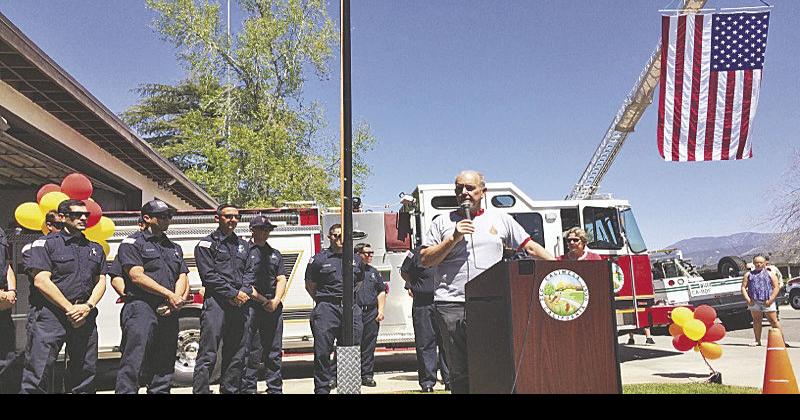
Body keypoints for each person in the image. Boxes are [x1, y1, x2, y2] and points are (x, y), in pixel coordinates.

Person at [420, 170, 554, 394]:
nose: (464, 193)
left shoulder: (500, 219)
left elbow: (529, 247)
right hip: (451, 304)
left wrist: (563, 266)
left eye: (470, 188)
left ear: (483, 191)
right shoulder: (441, 222)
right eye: (459, 188)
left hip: (490, 303)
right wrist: (453, 238)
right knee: (459, 371)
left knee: (493, 366)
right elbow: (425, 260)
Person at [21, 199, 107, 393]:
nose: (83, 218)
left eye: (86, 215)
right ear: (62, 217)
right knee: (39, 372)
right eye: (77, 214)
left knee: (84, 371)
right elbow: (41, 280)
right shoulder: (44, 245)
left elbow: (101, 281)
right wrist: (70, 309)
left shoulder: (94, 248)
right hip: (50, 316)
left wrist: (88, 306)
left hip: (85, 315)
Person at [114, 200, 189, 394]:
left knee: (164, 361)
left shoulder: (174, 247)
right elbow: (136, 276)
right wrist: (170, 295)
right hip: (141, 307)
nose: (168, 220)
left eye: (169, 216)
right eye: (163, 216)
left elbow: (182, 276)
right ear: (147, 218)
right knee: (135, 360)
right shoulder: (132, 243)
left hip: (169, 309)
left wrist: (176, 301)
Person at [193, 204, 251, 394]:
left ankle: (230, 390)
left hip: (239, 304)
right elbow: (208, 276)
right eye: (228, 216)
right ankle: (201, 391)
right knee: (208, 353)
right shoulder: (206, 245)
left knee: (236, 352)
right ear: (217, 218)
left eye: (236, 216)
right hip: (216, 303)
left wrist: (242, 292)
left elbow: (250, 273)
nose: (233, 220)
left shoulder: (244, 245)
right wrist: (232, 293)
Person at [305, 223, 364, 394]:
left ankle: (347, 386)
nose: (339, 239)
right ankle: (322, 388)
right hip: (327, 308)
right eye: (335, 235)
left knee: (351, 349)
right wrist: (325, 300)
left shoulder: (356, 259)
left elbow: (359, 281)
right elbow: (310, 285)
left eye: (342, 236)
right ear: (329, 237)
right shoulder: (319, 259)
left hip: (350, 308)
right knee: (323, 351)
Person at [241, 215, 287, 394]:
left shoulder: (275, 254)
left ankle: (275, 389)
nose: (265, 232)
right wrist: (262, 300)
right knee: (251, 350)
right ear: (252, 230)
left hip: (272, 307)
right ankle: (248, 388)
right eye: (261, 229)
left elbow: (281, 278)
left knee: (274, 351)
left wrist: (275, 300)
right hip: (251, 306)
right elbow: (243, 283)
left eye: (268, 229)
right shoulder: (243, 251)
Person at [401, 245, 450, 393]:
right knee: (425, 343)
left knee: (447, 342)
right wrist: (411, 285)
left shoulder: (448, 247)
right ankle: (427, 383)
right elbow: (404, 272)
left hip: (445, 301)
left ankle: (450, 380)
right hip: (423, 303)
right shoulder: (416, 253)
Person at [355, 242, 387, 387]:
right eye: (367, 253)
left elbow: (381, 291)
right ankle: (343, 374)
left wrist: (380, 311)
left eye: (371, 253)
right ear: (357, 254)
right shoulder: (351, 271)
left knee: (369, 345)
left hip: (371, 312)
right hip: (355, 312)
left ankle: (366, 375)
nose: (370, 256)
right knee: (351, 344)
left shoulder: (374, 272)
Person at [740, 255, 784, 347]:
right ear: (753, 263)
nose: (758, 264)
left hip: (767, 300)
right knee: (756, 320)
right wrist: (748, 300)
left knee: (773, 321)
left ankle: (782, 341)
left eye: (760, 263)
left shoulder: (770, 273)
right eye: (756, 263)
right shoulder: (748, 275)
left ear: (764, 263)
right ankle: (757, 340)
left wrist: (771, 300)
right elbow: (743, 287)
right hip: (754, 301)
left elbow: (776, 287)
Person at [0, 224, 18, 394]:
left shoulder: (0, 232)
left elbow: (6, 265)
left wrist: (11, 290)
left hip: (2, 308)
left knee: (7, 357)